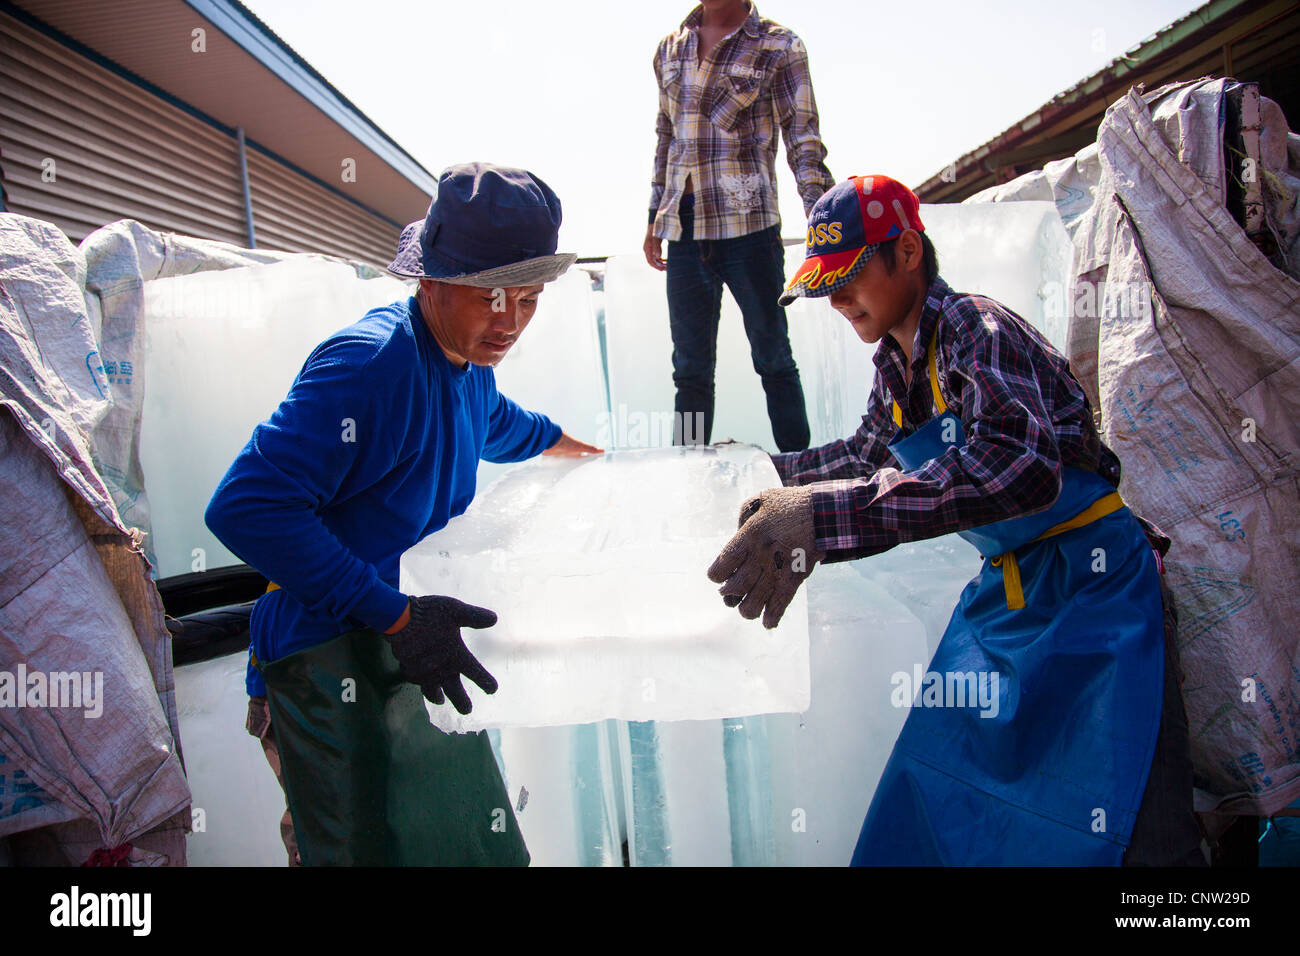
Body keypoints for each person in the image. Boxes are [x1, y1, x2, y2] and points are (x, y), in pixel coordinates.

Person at [707, 174, 1204, 865]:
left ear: (907, 252)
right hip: (1012, 598)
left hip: (1097, 595)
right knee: (942, 796)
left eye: (848, 275)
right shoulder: (897, 364)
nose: (835, 298)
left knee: (1137, 828)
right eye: (824, 284)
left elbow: (1019, 468)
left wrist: (823, 520)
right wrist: (758, 474)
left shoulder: (976, 328)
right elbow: (862, 455)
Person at [206, 162, 601, 866]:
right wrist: (393, 615)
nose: (510, 320)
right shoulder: (371, 368)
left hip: (412, 646)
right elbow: (246, 507)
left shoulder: (470, 364)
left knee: (465, 849)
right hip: (325, 657)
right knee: (364, 854)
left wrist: (590, 454)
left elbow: (500, 422)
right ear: (430, 280)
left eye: (530, 298)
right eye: (490, 296)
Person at [643, 0, 834, 451]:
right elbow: (665, 138)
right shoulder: (670, 48)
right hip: (685, 231)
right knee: (689, 372)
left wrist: (825, 221)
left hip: (751, 229)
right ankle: (687, 473)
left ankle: (798, 478)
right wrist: (655, 216)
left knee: (774, 360)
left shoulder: (780, 45)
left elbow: (803, 139)